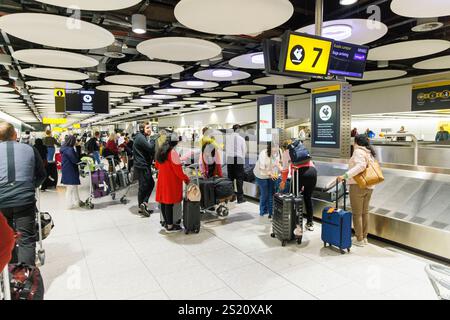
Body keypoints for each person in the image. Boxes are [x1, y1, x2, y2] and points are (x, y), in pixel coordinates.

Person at [0, 122, 46, 266]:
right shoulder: (30, 149)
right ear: (15, 135)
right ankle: (26, 280)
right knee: (26, 238)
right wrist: (30, 186)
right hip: (24, 199)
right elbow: (42, 174)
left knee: (5, 237)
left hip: (1, 200)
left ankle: (9, 276)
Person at [338, 134, 377, 247]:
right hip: (369, 185)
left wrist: (345, 175)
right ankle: (364, 237)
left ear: (356, 142)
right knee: (365, 212)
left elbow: (361, 166)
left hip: (358, 186)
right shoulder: (369, 153)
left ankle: (359, 239)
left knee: (357, 213)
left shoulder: (358, 152)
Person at [155, 133, 190, 232]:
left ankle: (166, 223)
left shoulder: (161, 151)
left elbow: (157, 165)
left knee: (164, 202)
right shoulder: (173, 153)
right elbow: (178, 171)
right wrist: (186, 179)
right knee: (169, 203)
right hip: (170, 182)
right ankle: (170, 226)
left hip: (162, 180)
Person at [280, 140, 317, 231]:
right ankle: (310, 223)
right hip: (312, 172)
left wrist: (283, 181)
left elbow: (285, 170)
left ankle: (294, 223)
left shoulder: (286, 152)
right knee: (308, 197)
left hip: (299, 173)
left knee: (293, 198)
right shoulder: (300, 147)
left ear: (284, 147)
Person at [254, 142, 283, 218]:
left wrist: (280, 168)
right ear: (269, 148)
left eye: (277, 147)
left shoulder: (279, 151)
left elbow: (279, 162)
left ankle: (271, 213)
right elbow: (262, 168)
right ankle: (263, 211)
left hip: (272, 174)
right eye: (273, 148)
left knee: (271, 194)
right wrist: (271, 174)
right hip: (261, 175)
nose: (275, 150)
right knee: (265, 193)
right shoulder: (263, 154)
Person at [133, 122, 156, 217]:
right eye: (147, 128)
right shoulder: (140, 138)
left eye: (150, 128)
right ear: (142, 129)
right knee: (145, 186)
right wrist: (154, 139)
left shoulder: (141, 137)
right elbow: (150, 148)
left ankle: (143, 205)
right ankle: (143, 205)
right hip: (142, 166)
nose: (150, 129)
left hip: (142, 165)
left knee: (148, 184)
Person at [60, 135, 83, 209]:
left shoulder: (65, 148)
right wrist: (78, 148)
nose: (76, 142)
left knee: (74, 187)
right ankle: (68, 205)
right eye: (75, 140)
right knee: (70, 188)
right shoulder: (69, 149)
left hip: (67, 169)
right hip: (70, 170)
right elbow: (75, 160)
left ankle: (77, 201)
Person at [225, 124, 247, 203]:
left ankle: (231, 197)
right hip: (238, 158)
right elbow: (244, 151)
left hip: (230, 158)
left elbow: (226, 149)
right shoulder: (241, 139)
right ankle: (240, 198)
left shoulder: (228, 138)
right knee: (239, 178)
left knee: (230, 178)